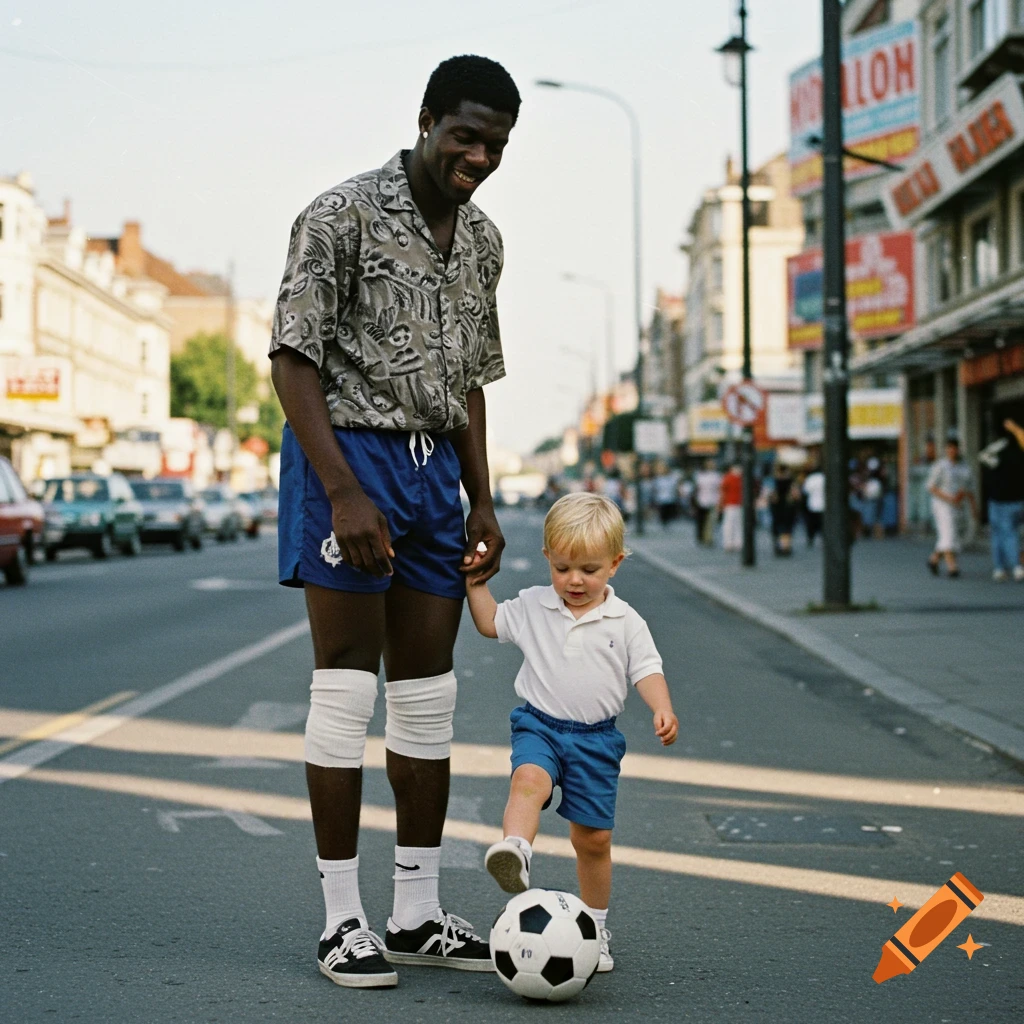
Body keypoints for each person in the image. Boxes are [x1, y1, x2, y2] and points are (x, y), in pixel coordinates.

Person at [269, 55, 521, 988]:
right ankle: (343, 920)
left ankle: (416, 911)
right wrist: (341, 490)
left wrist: (482, 495)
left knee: (428, 697)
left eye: (495, 143)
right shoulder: (338, 215)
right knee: (344, 691)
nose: (480, 156)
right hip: (351, 460)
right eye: (465, 135)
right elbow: (293, 360)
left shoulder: (486, 240)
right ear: (426, 121)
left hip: (432, 478)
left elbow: (469, 382)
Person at [464, 493, 677, 974]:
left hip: (596, 740)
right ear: (547, 560)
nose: (574, 581)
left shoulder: (626, 621)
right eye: (562, 569)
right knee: (528, 782)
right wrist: (475, 582)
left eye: (588, 569)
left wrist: (661, 707)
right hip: (539, 724)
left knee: (593, 839)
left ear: (615, 565)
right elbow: (489, 622)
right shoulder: (534, 605)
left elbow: (647, 669)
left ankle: (596, 927)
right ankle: (515, 850)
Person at [979, 418, 1024, 582]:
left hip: (999, 501)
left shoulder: (996, 453)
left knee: (1003, 534)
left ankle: (1012, 567)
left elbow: (983, 456)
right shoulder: (1019, 452)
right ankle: (1001, 567)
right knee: (1008, 534)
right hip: (1017, 499)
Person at [927, 438, 977, 577]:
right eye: (949, 448)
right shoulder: (940, 466)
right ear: (945, 450)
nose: (952, 451)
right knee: (948, 533)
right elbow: (931, 487)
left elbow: (969, 488)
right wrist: (949, 498)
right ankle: (952, 566)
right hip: (942, 504)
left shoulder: (964, 466)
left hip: (959, 504)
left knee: (953, 534)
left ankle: (934, 558)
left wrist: (973, 507)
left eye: (954, 448)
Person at [769, 462, 797, 556]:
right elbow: (796, 494)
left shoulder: (774, 481)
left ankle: (780, 546)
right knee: (787, 528)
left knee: (778, 526)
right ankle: (786, 547)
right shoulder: (791, 481)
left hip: (778, 507)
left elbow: (772, 496)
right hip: (788, 506)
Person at [693, 459, 722, 546]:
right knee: (701, 520)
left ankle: (709, 538)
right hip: (702, 500)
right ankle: (701, 537)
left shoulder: (717, 475)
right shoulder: (701, 475)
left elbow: (719, 488)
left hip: (713, 500)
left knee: (711, 521)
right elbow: (697, 488)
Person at [719, 463, 743, 552]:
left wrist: (721, 503)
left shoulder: (729, 477)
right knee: (736, 524)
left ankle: (731, 543)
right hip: (735, 504)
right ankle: (735, 543)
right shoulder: (740, 478)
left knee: (731, 524)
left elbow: (722, 492)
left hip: (733, 504)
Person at [652, 463, 682, 528]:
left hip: (670, 498)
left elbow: (675, 487)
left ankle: (667, 522)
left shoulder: (671, 478)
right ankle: (663, 522)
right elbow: (655, 488)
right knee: (663, 511)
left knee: (668, 511)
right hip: (661, 498)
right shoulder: (659, 479)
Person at [802, 463, 825, 547]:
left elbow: (805, 490)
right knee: (822, 523)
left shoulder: (810, 479)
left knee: (811, 523)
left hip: (812, 503)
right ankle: (823, 538)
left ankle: (811, 538)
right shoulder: (824, 478)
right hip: (823, 504)